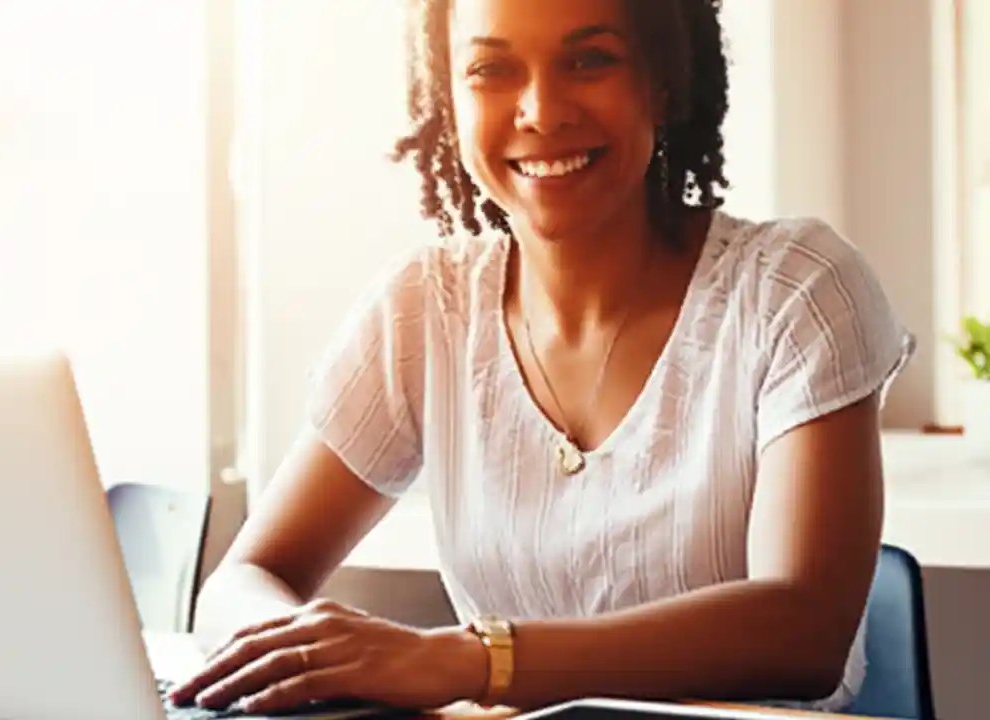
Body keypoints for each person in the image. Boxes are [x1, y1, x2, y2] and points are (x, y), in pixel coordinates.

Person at [170, 0, 914, 714]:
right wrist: (307, 652)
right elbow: (244, 578)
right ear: (448, 95)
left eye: (590, 60)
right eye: (492, 71)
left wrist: (466, 661)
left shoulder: (796, 289)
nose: (541, 111)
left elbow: (804, 628)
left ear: (661, 77)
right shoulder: (426, 307)